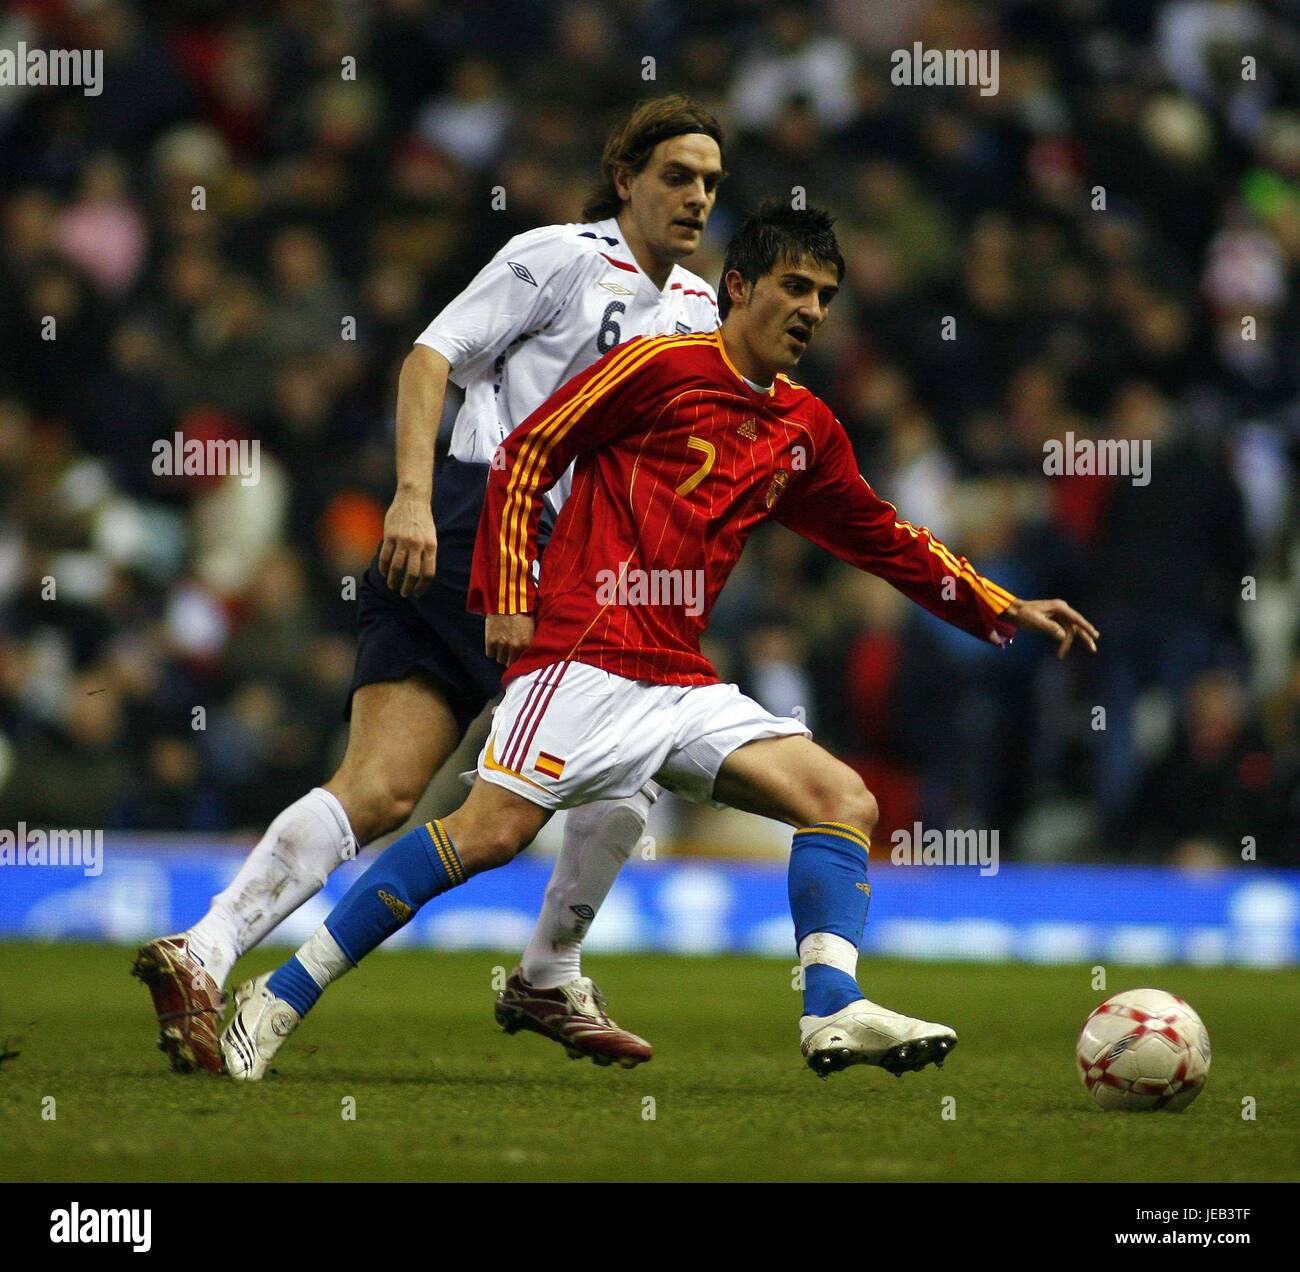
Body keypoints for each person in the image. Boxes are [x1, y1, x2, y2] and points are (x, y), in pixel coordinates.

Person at [221, 203, 1098, 1081]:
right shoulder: (656, 367)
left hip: (677, 680)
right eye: (795, 287)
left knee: (844, 799)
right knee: (486, 835)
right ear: (741, 289)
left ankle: (832, 1008)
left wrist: (997, 606)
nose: (812, 311)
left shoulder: (805, 428)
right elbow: (528, 452)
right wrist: (508, 594)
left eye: (826, 296)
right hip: (579, 655)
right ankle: (281, 994)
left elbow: (879, 532)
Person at [133, 95, 726, 1074]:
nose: (696, 196)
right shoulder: (558, 257)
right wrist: (410, 495)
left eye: (710, 182)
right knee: (582, 757)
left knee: (415, 787)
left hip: (571, 561)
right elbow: (429, 355)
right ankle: (537, 973)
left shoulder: (698, 309)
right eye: (676, 175)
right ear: (626, 179)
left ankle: (208, 949)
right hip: (478, 523)